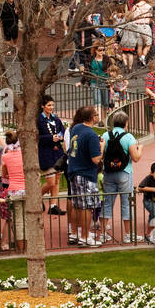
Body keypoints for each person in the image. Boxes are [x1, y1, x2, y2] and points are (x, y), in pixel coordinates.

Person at [100, 111, 142, 244]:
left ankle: (102, 234)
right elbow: (135, 158)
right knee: (127, 203)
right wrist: (140, 148)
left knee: (107, 202)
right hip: (125, 172)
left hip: (108, 172)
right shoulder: (129, 137)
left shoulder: (106, 135)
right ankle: (128, 234)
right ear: (126, 123)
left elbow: (100, 154)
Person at [66, 105, 104, 247]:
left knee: (78, 205)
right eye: (96, 114)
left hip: (74, 170)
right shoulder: (91, 134)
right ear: (92, 117)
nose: (98, 116)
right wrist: (102, 147)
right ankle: (85, 236)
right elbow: (96, 159)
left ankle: (76, 233)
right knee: (88, 206)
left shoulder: (76, 128)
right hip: (86, 173)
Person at [37, 97, 67, 215]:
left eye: (52, 105)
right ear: (42, 106)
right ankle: (35, 199)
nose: (51, 108)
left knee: (57, 179)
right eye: (49, 105)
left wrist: (59, 136)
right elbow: (36, 136)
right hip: (46, 153)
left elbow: (62, 130)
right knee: (50, 181)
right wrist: (50, 138)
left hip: (57, 152)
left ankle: (53, 205)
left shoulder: (55, 118)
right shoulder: (39, 120)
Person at [0, 130, 27, 253]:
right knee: (27, 219)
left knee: (17, 220)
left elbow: (4, 174)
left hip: (14, 189)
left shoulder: (5, 157)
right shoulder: (25, 155)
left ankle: (19, 248)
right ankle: (26, 247)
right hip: (26, 189)